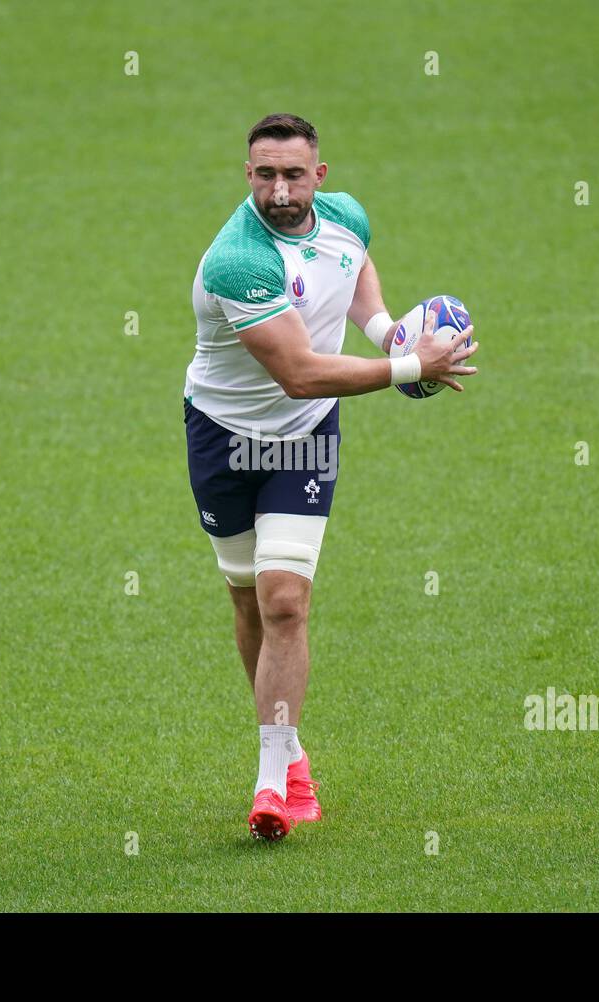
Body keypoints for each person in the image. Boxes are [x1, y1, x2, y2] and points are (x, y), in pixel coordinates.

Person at [183, 113, 478, 840]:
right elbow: (302, 374)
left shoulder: (344, 219)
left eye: (293, 174)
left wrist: (385, 330)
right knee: (249, 604)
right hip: (223, 441)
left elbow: (355, 267)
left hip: (303, 443)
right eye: (264, 174)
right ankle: (291, 752)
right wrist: (413, 366)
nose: (279, 190)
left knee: (285, 602)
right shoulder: (237, 262)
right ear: (246, 175)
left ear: (320, 176)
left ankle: (273, 780)